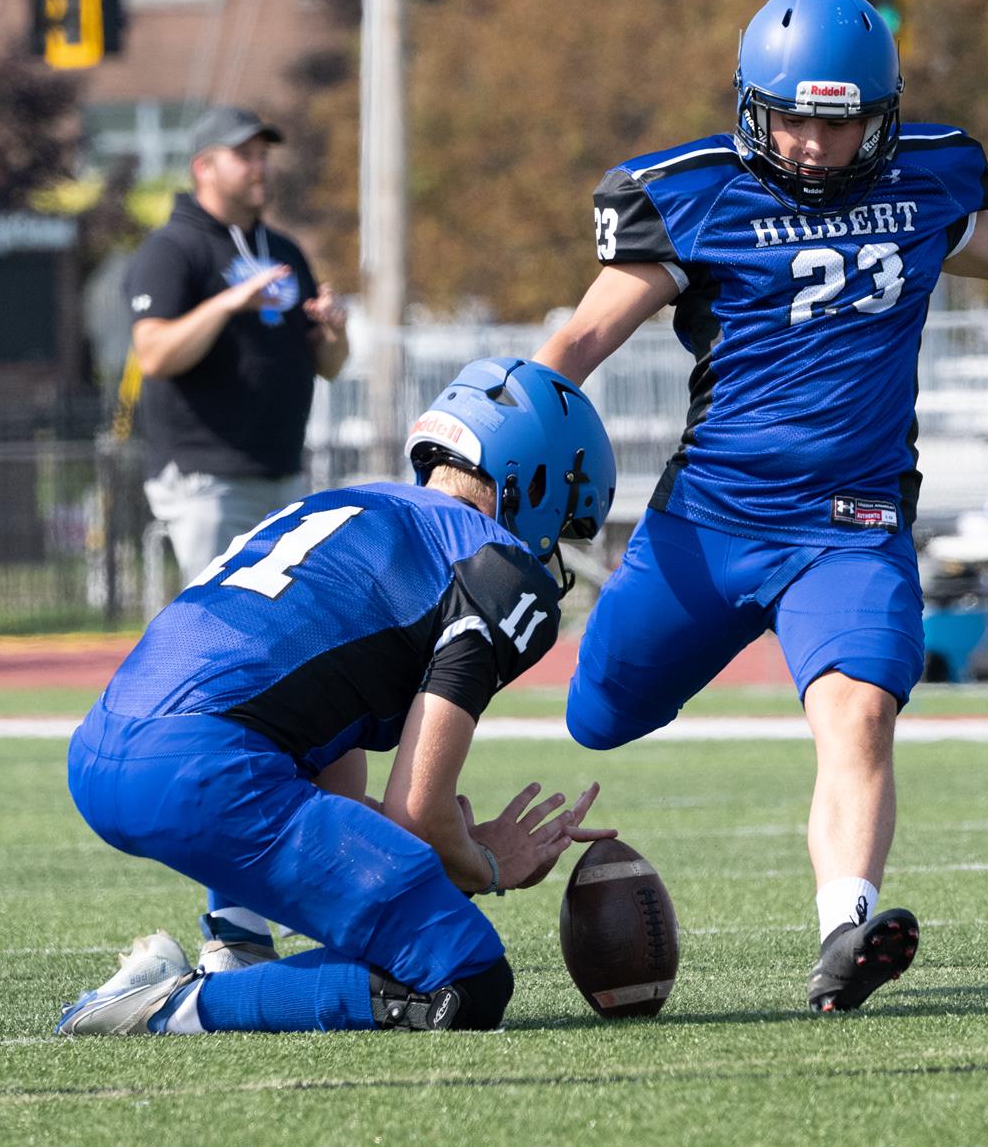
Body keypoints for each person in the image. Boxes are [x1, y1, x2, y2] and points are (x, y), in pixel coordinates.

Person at [534, 0, 988, 1014]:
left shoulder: (925, 184)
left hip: (850, 523)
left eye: (838, 124)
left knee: (861, 712)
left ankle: (845, 927)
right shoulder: (693, 196)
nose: (813, 145)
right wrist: (502, 446)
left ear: (879, 117)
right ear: (751, 108)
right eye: (793, 119)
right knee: (598, 715)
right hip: (710, 522)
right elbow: (580, 338)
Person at [56, 358, 617, 1036]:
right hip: (205, 772)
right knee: (466, 977)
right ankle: (166, 1009)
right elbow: (419, 812)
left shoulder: (341, 506)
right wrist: (487, 862)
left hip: (101, 747)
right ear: (534, 483)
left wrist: (432, 849)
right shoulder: (492, 568)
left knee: (293, 770)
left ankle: (236, 940)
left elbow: (336, 794)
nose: (551, 549)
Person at [126, 104, 349, 585]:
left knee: (290, 619)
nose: (259, 167)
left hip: (284, 473)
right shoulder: (171, 250)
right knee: (219, 620)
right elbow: (154, 355)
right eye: (243, 156)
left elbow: (329, 365)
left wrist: (334, 332)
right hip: (207, 478)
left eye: (263, 155)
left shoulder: (284, 251)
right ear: (203, 167)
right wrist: (228, 303)